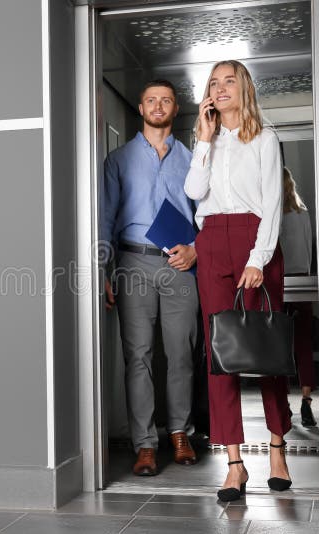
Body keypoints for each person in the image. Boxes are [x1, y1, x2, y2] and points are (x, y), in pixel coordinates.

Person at [184, 60, 292, 501]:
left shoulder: (265, 138)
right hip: (210, 242)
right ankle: (233, 463)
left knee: (266, 349)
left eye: (229, 80)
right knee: (220, 353)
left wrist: (258, 258)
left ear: (244, 88)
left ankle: (278, 448)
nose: (221, 87)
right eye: (214, 82)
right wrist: (204, 142)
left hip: (254, 240)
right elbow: (194, 192)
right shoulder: (205, 141)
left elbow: (273, 203)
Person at [100, 79, 200, 476]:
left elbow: (205, 216)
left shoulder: (194, 159)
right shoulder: (118, 160)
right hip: (132, 263)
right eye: (151, 100)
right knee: (137, 356)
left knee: (181, 355)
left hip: (180, 265)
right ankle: (145, 445)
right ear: (140, 109)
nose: (158, 106)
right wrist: (104, 269)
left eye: (166, 101)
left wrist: (196, 249)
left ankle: (179, 433)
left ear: (176, 109)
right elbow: (104, 219)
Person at [279, 167, 317, 427]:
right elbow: (309, 248)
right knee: (303, 342)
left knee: (279, 346)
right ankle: (306, 402)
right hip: (302, 277)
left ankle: (283, 406)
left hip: (280, 280)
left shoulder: (272, 214)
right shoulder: (303, 214)